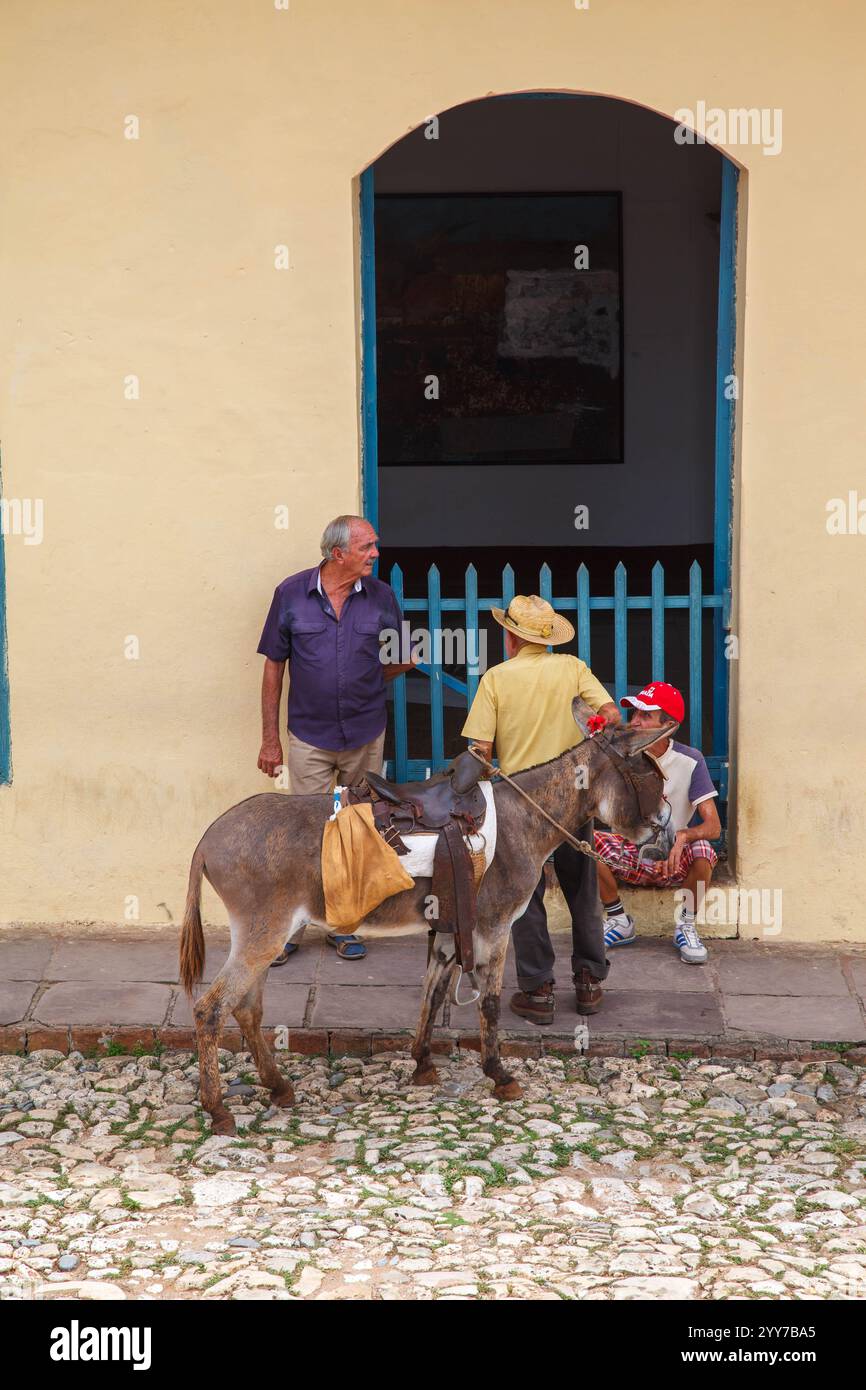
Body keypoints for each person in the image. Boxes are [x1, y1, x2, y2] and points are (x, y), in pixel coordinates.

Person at [256, 514, 412, 964]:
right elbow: (273, 667)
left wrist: (364, 682)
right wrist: (271, 740)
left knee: (356, 828)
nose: (375, 554)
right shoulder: (291, 594)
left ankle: (345, 925)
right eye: (368, 547)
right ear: (337, 553)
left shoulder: (381, 596)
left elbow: (400, 657)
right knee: (308, 832)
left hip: (365, 732)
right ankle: (292, 927)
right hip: (309, 734)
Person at [461, 594, 620, 1026]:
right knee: (583, 889)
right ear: (546, 638)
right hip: (573, 800)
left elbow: (479, 751)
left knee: (526, 898)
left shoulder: (496, 678)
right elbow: (611, 714)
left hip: (519, 806)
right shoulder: (571, 669)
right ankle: (589, 982)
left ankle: (539, 990)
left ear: (511, 635)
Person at [595, 681, 721, 964]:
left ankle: (686, 924)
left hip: (674, 860)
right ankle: (618, 920)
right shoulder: (620, 757)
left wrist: (682, 837)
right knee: (583, 846)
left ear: (669, 725)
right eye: (634, 714)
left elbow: (713, 826)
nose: (635, 722)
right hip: (630, 855)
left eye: (645, 715)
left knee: (704, 852)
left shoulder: (691, 761)